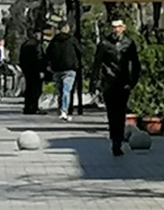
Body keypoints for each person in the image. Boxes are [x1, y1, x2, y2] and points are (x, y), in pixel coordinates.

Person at [91, 19, 141, 156]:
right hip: (108, 82)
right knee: (112, 113)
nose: (116, 30)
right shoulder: (105, 43)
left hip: (123, 83)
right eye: (114, 27)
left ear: (123, 28)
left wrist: (132, 82)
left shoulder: (128, 43)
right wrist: (95, 82)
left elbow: (135, 64)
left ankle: (118, 140)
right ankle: (115, 141)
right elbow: (97, 63)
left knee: (121, 113)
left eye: (118, 27)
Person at [46, 22, 82, 121]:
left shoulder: (54, 41)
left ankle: (61, 109)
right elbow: (80, 52)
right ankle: (64, 110)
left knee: (60, 90)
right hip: (70, 68)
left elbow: (48, 54)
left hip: (57, 68)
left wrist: (50, 65)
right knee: (67, 90)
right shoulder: (72, 40)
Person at [18, 28, 45, 115]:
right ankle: (34, 107)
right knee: (36, 89)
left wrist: (23, 68)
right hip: (35, 70)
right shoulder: (37, 45)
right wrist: (42, 69)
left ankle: (28, 107)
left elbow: (21, 58)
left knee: (29, 88)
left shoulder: (25, 45)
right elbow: (39, 58)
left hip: (27, 70)